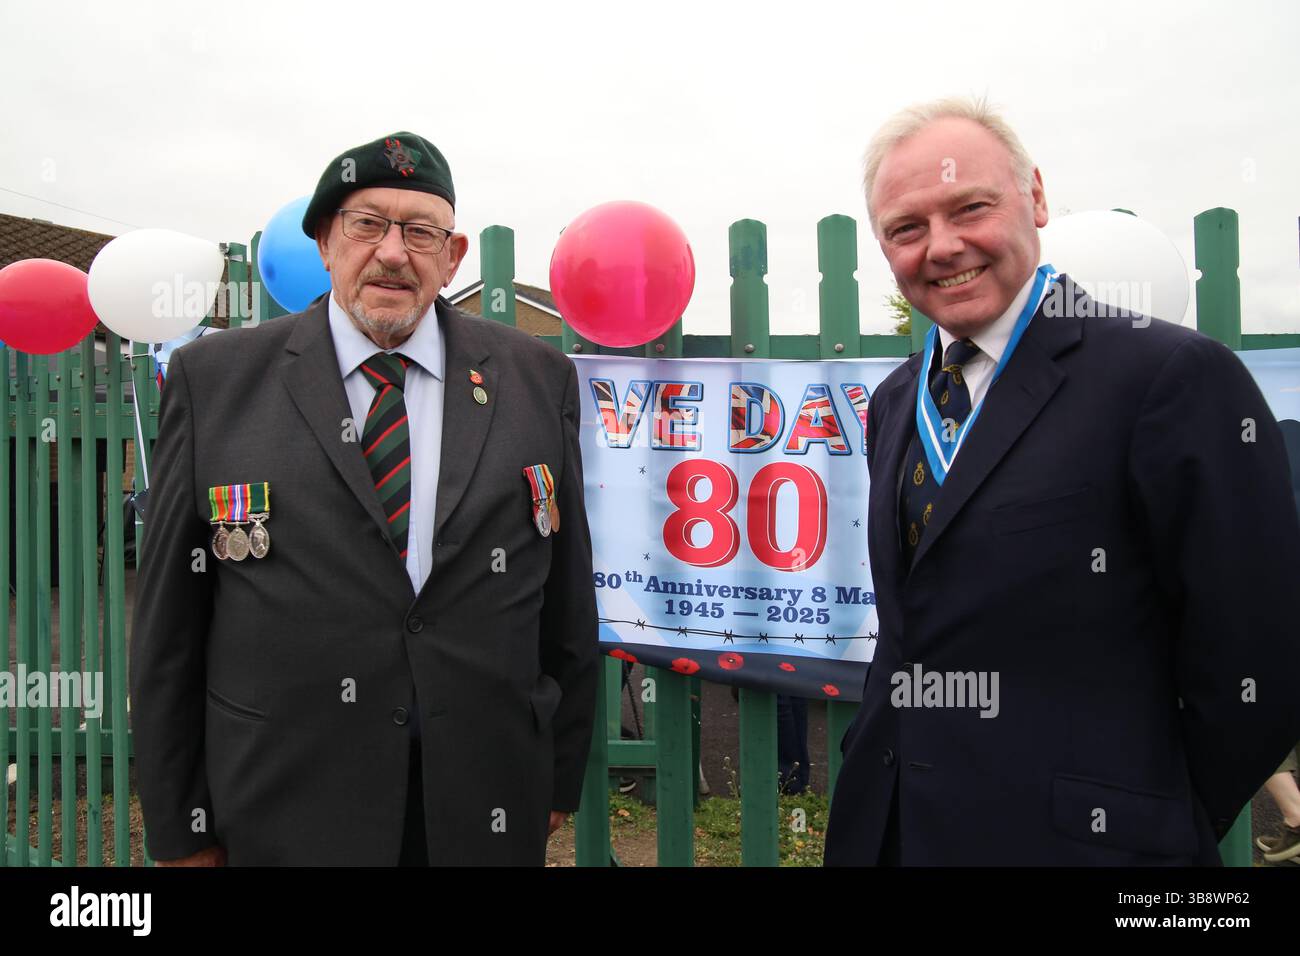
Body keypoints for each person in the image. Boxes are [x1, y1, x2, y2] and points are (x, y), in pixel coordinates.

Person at [824, 97, 1300, 865]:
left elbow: (1259, 663)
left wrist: (1150, 819)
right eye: (906, 228)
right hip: (888, 834)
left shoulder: (1167, 377)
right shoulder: (895, 400)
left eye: (970, 208)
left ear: (1036, 197)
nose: (941, 247)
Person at [130, 131, 599, 866]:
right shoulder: (215, 381)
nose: (392, 252)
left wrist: (556, 784)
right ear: (324, 241)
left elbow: (569, 604)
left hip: (482, 805)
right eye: (367, 223)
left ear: (453, 257)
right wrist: (183, 829)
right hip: (283, 808)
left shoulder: (537, 379)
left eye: (421, 232)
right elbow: (166, 634)